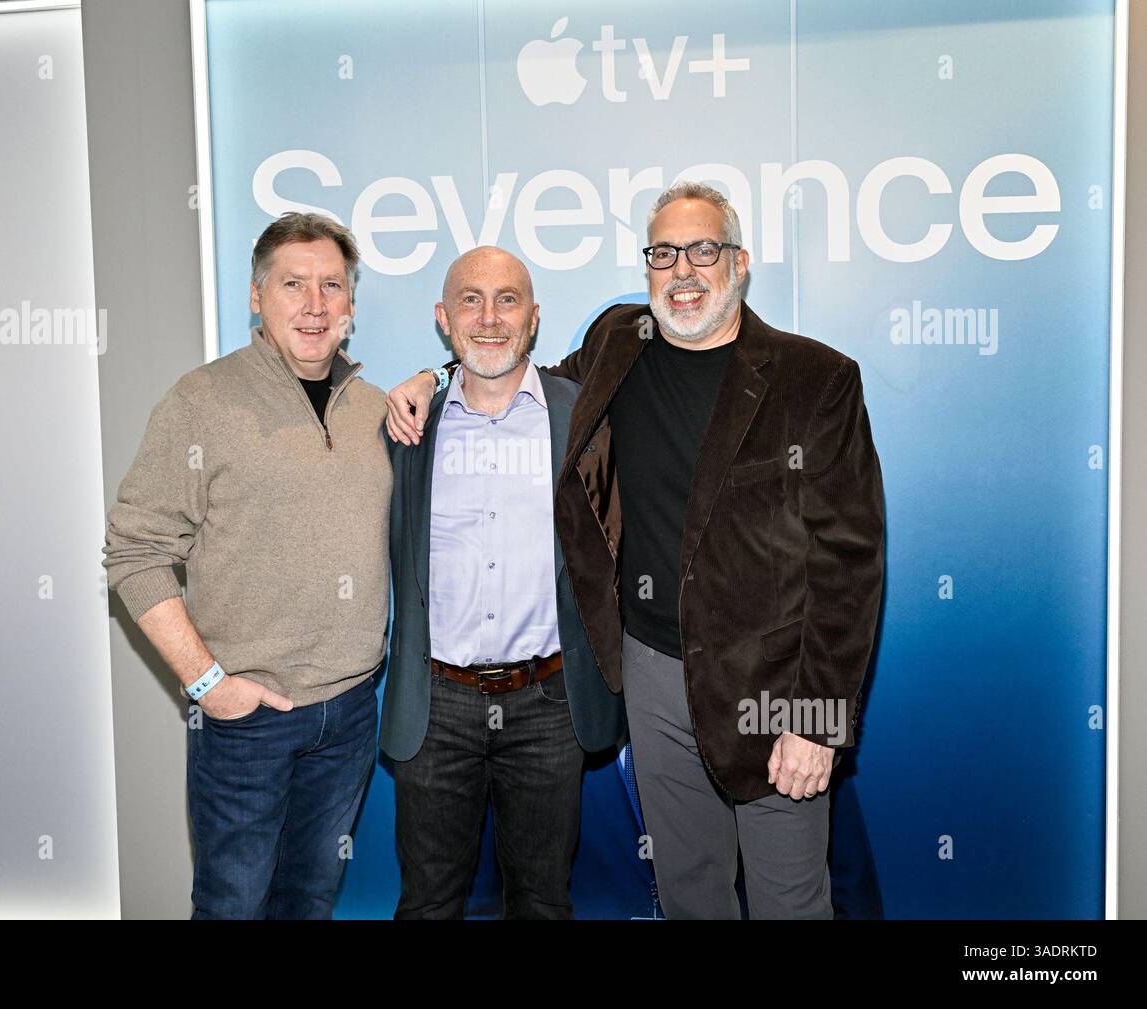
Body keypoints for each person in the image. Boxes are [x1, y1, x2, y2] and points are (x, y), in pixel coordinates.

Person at [386, 182, 885, 919]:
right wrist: (435, 377)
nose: (682, 270)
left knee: (789, 900)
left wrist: (817, 720)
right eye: (663, 252)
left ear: (739, 263)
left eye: (703, 249)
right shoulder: (620, 341)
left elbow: (849, 565)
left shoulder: (816, 379)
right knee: (688, 891)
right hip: (652, 674)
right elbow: (519, 375)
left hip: (772, 686)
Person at [103, 212, 391, 919]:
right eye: (294, 283)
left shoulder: (375, 408)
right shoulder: (201, 402)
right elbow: (134, 552)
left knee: (309, 901)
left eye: (332, 285)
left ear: (351, 304)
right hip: (246, 722)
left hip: (351, 713)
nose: (315, 303)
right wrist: (209, 684)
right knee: (233, 905)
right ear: (258, 296)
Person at [381, 246, 625, 919]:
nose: (490, 317)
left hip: (549, 702)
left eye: (508, 299)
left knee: (543, 903)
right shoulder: (406, 422)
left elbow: (617, 550)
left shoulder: (584, 418)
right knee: (427, 903)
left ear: (535, 317)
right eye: (470, 299)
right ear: (443, 317)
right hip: (436, 705)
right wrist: (431, 378)